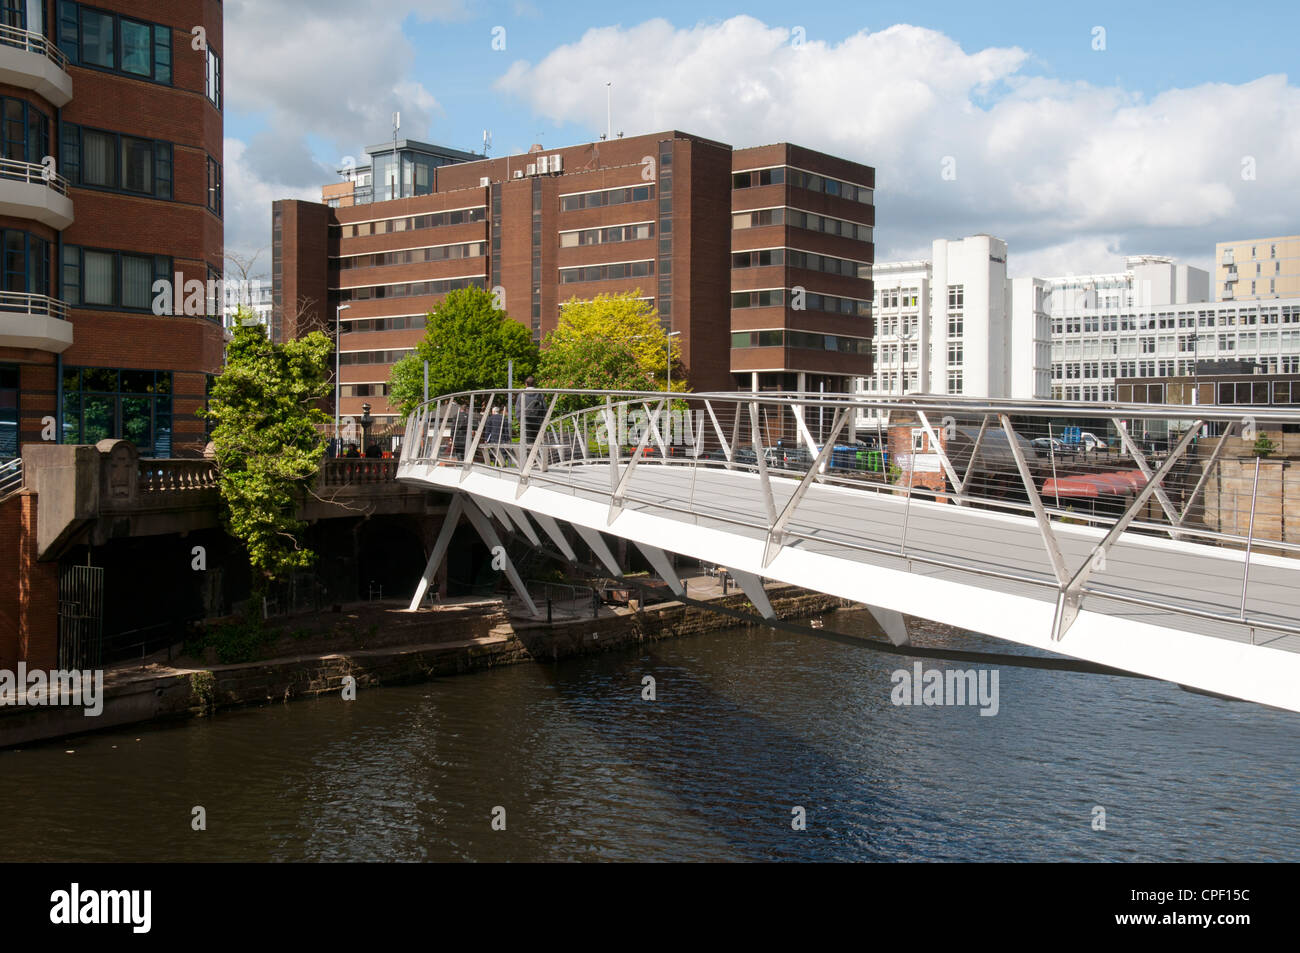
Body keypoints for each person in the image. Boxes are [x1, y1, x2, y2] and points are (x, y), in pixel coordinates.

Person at [521, 375, 546, 446]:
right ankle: (537, 456)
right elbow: (544, 408)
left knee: (528, 444)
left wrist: (520, 420)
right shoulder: (539, 394)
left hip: (526, 422)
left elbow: (518, 409)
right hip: (537, 422)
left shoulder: (522, 394)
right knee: (538, 444)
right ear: (534, 383)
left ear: (526, 384)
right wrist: (542, 420)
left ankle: (529, 456)